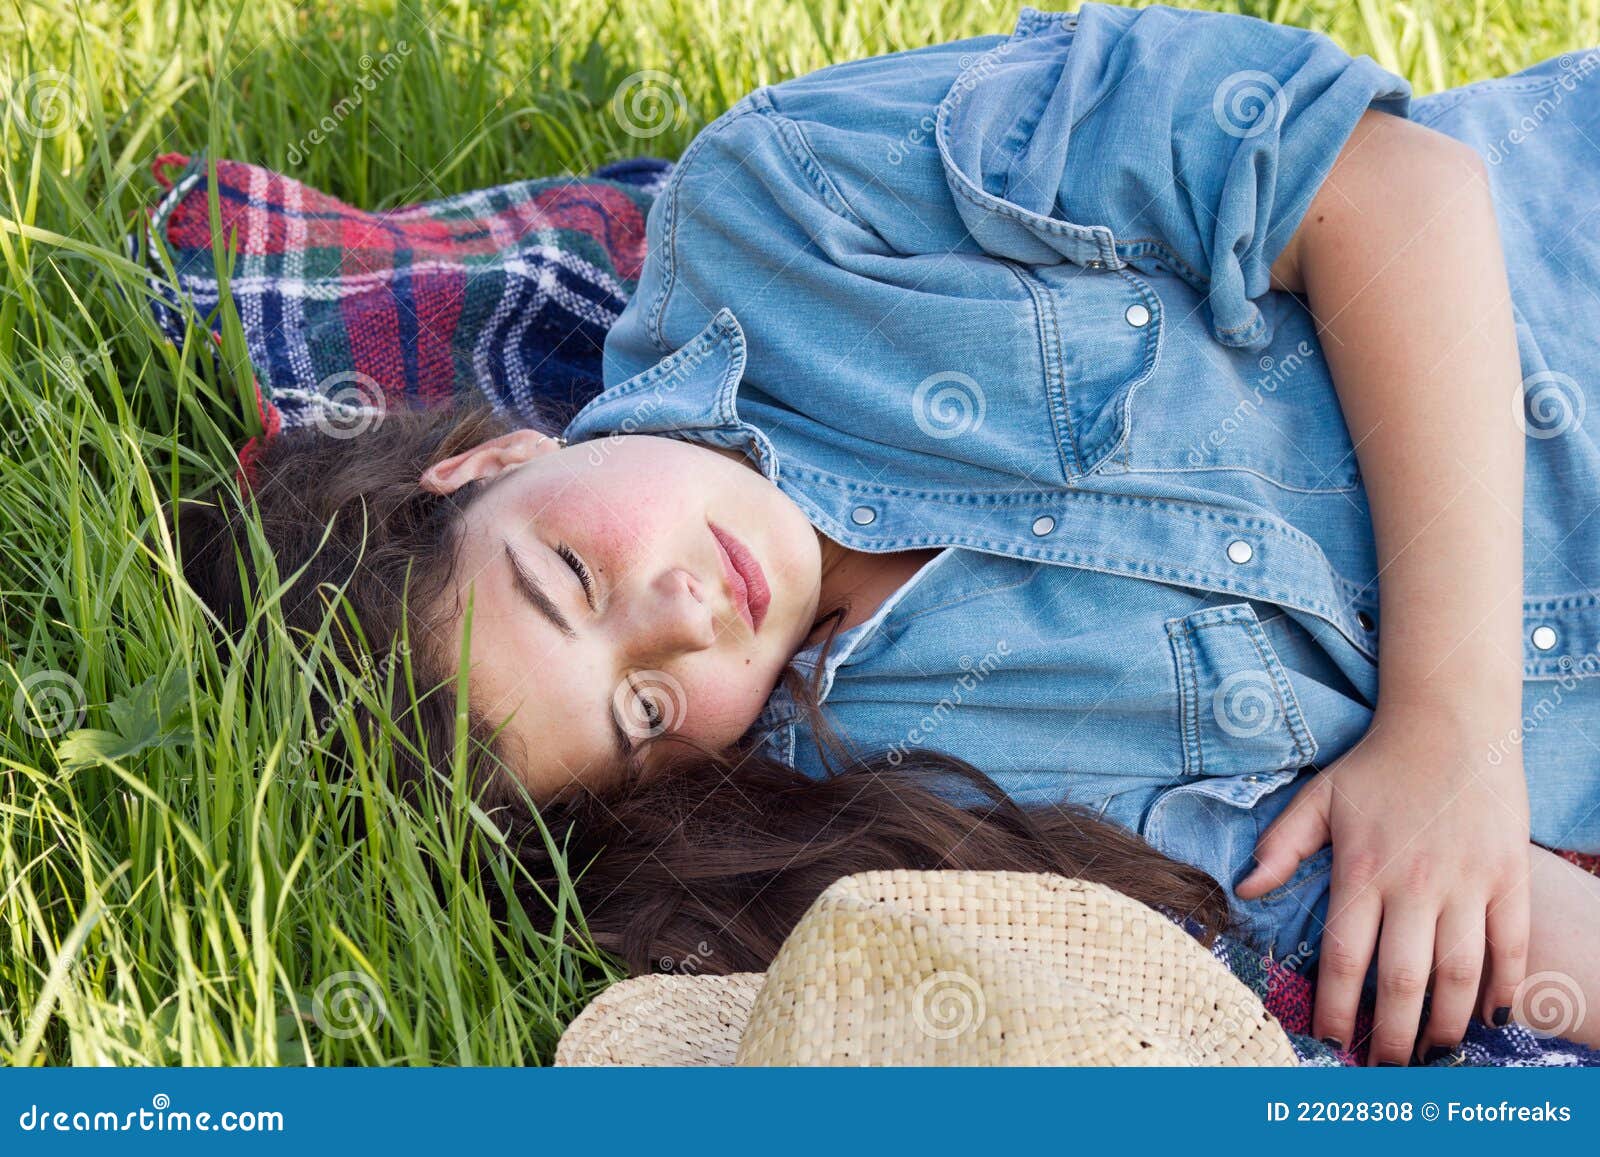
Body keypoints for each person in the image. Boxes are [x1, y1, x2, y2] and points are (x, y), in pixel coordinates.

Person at [182, 4, 1600, 1063]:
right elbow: (1418, 910)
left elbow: (1385, 185)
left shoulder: (787, 209)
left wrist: (1450, 724)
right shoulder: (920, 813)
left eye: (574, 577)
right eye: (648, 708)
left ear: (488, 456)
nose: (683, 611)